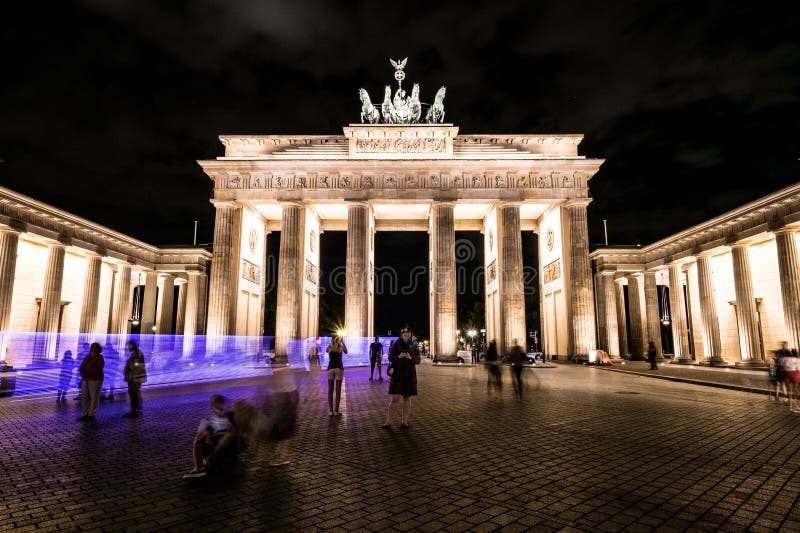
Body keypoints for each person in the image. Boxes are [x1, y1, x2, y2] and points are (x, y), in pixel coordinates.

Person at [183, 394, 237, 478]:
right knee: (198, 440)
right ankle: (199, 468)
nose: (218, 408)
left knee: (228, 435)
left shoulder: (230, 416)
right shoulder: (207, 420)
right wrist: (206, 434)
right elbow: (199, 436)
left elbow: (236, 429)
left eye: (219, 404)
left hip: (227, 442)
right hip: (213, 441)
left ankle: (210, 459)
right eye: (215, 405)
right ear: (212, 407)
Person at [382, 327, 420, 429]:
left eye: (408, 335)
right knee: (395, 399)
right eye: (404, 335)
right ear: (401, 335)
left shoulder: (414, 345)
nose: (406, 337)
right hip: (398, 375)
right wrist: (399, 356)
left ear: (410, 335)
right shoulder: (396, 344)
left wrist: (410, 358)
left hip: (409, 375)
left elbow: (418, 360)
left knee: (407, 398)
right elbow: (390, 358)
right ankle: (388, 421)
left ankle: (404, 421)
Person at [77, 342, 104, 421]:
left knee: (94, 397)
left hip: (95, 379)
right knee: (85, 397)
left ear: (98, 349)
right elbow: (82, 365)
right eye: (92, 347)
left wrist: (87, 370)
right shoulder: (87, 357)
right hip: (85, 378)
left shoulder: (100, 357)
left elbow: (98, 368)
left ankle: (92, 414)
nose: (93, 348)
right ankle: (85, 414)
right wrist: (82, 370)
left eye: (95, 347)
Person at [122, 340, 147, 418]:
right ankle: (135, 410)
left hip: (135, 377)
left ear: (132, 345)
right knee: (134, 394)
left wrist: (129, 367)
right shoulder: (135, 353)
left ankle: (135, 411)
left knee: (134, 394)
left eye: (128, 345)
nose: (127, 347)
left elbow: (138, 365)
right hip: (133, 377)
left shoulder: (137, 353)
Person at [326, 335, 348, 416]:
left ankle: (331, 411)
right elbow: (346, 351)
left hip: (330, 369)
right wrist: (342, 342)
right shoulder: (340, 347)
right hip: (339, 368)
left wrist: (331, 343)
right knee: (338, 391)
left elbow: (326, 350)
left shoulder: (330, 347)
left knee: (330, 391)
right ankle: (336, 411)